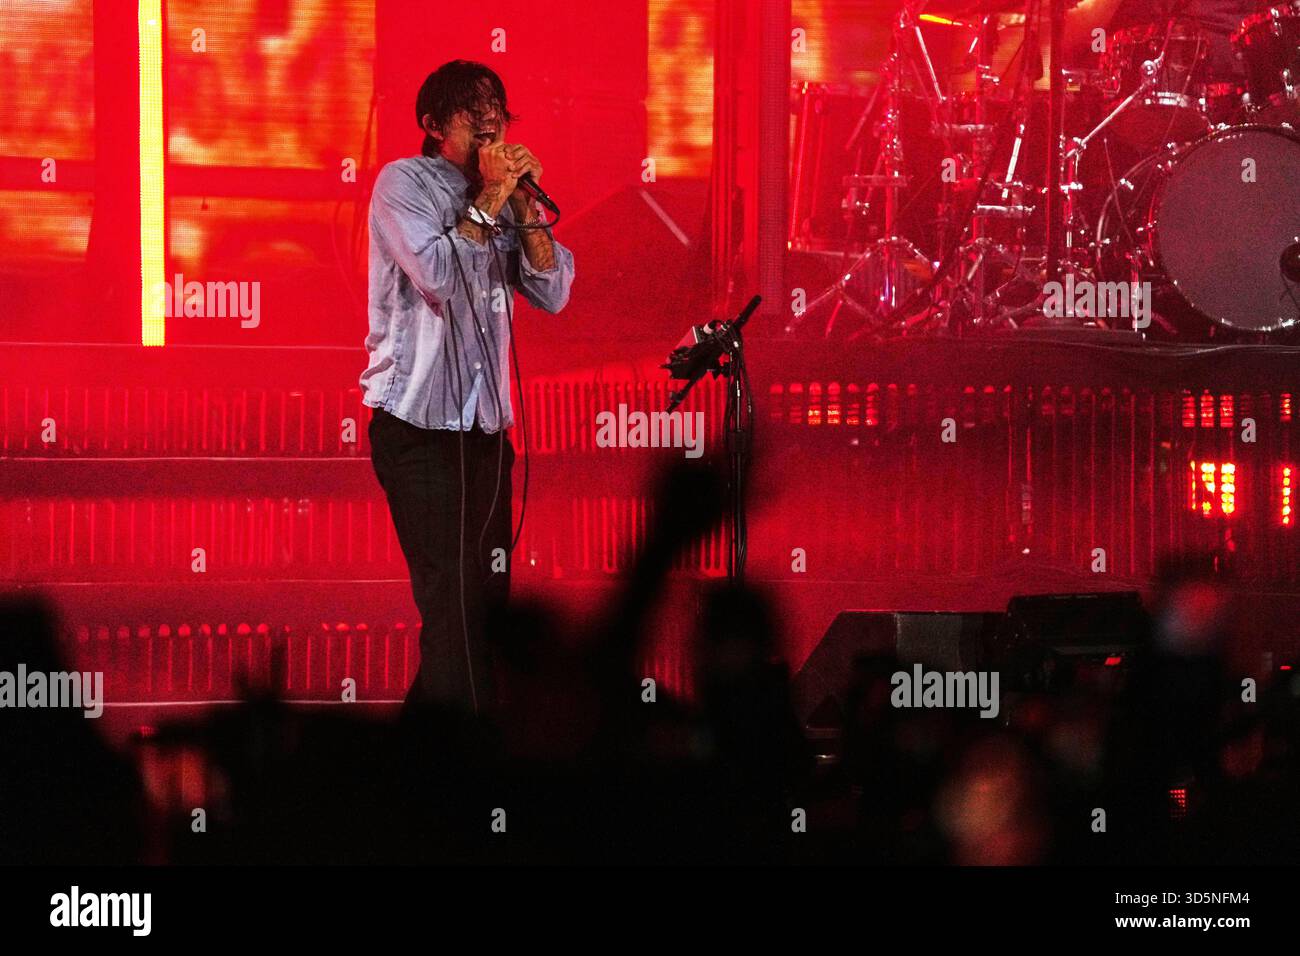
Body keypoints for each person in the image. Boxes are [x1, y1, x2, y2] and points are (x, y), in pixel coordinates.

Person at [360, 59, 575, 715]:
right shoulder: (403, 184)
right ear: (432, 125)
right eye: (475, 127)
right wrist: (489, 195)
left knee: (486, 603)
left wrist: (525, 200)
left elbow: (555, 288)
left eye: (499, 126)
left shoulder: (505, 195)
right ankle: (461, 768)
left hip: (485, 434)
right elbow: (436, 275)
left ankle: (427, 761)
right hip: (419, 431)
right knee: (451, 601)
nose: (492, 140)